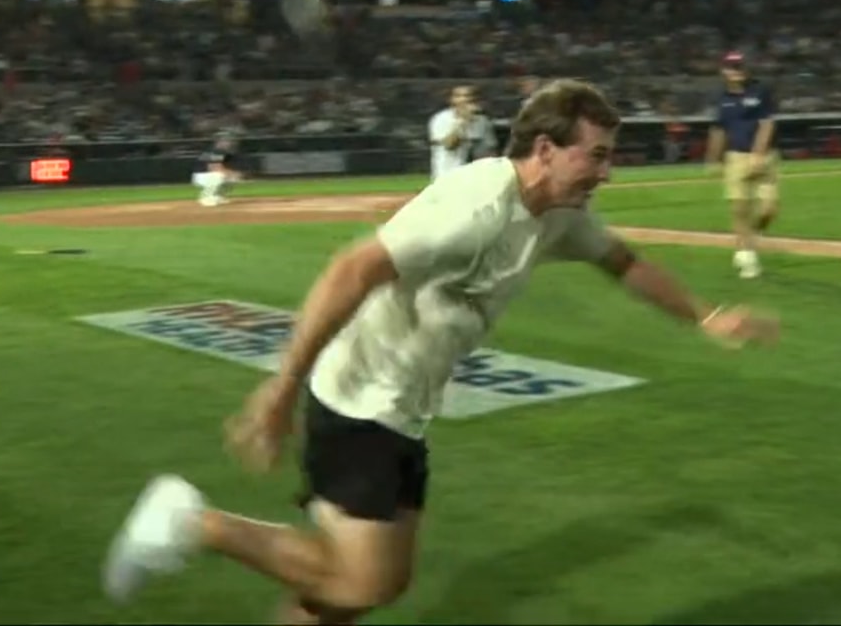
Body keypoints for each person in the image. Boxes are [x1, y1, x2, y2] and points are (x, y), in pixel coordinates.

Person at [103, 78, 780, 624]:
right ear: (545, 148)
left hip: (405, 412)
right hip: (359, 400)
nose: (607, 172)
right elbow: (350, 270)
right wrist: (281, 390)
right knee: (357, 579)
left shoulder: (560, 214)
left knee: (367, 589)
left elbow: (625, 263)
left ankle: (201, 527)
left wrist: (708, 316)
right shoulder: (476, 207)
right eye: (595, 155)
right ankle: (192, 522)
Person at [704, 51, 779, 279]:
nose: (737, 71)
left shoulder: (760, 91)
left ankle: (751, 238)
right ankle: (747, 255)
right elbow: (718, 129)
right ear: (724, 70)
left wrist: (758, 154)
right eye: (732, 67)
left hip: (765, 157)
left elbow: (767, 124)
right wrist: (712, 159)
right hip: (735, 158)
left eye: (740, 67)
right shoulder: (721, 98)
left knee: (769, 209)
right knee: (739, 209)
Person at [427, 85, 497, 181]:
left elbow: (488, 151)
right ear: (452, 100)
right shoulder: (442, 119)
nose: (465, 99)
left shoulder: (483, 121)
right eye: (459, 96)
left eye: (469, 96)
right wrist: (464, 121)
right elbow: (449, 145)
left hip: (474, 177)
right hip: (447, 176)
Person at [192, 136, 243, 207]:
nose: (228, 143)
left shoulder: (223, 152)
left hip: (208, 175)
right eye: (226, 142)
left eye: (228, 142)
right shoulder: (215, 151)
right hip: (201, 176)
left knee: (233, 177)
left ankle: (219, 196)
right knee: (219, 175)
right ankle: (206, 197)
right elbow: (213, 167)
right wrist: (229, 173)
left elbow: (221, 167)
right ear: (219, 142)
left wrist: (232, 174)